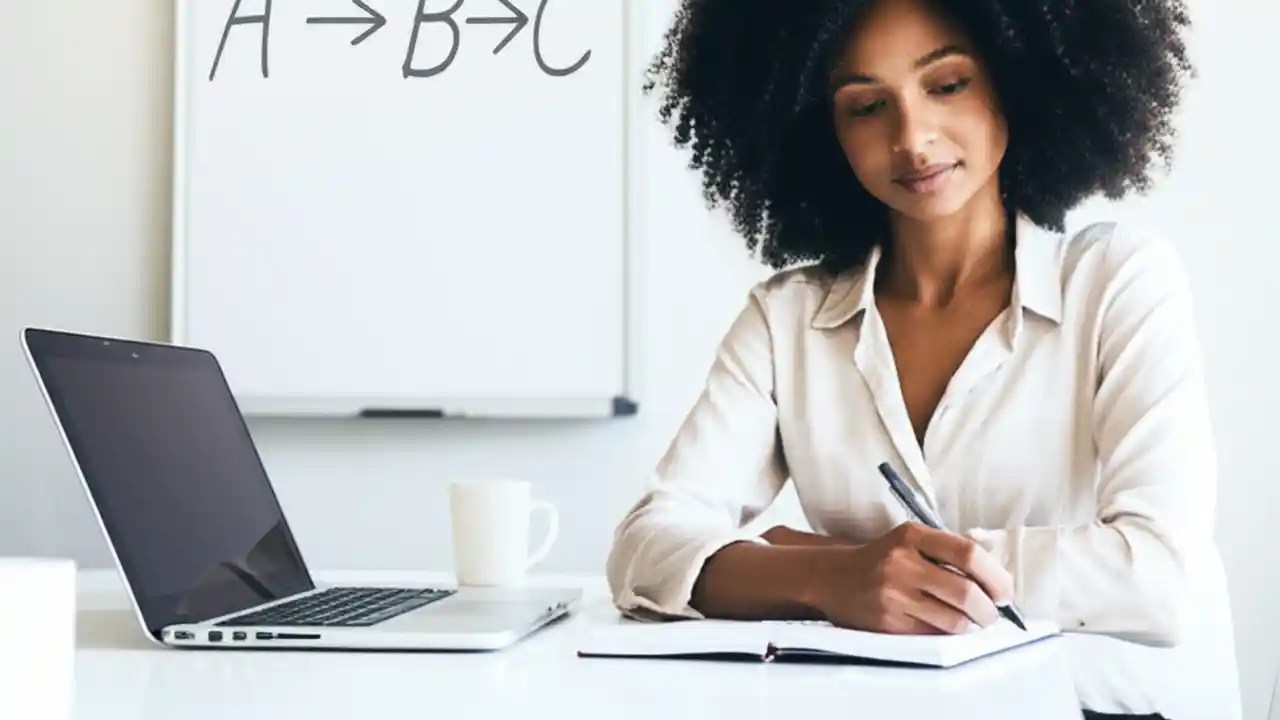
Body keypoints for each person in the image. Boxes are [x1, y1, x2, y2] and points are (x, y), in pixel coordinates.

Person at [607, 0, 1216, 646]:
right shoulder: (785, 322)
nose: (911, 138)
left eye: (947, 85)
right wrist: (831, 574)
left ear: (1013, 77)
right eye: (867, 106)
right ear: (822, 129)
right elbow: (645, 549)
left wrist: (845, 568)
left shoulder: (1116, 282)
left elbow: (1157, 576)